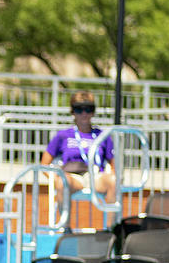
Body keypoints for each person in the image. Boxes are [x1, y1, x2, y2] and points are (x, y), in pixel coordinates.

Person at [41, 90, 117, 223]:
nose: (84, 114)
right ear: (72, 112)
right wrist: (56, 179)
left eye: (88, 109)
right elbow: (44, 164)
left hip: (95, 177)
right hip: (73, 177)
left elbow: (114, 164)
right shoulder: (63, 135)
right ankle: (66, 228)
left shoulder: (102, 135)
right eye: (79, 109)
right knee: (62, 182)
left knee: (114, 180)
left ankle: (112, 228)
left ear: (93, 112)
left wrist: (112, 175)